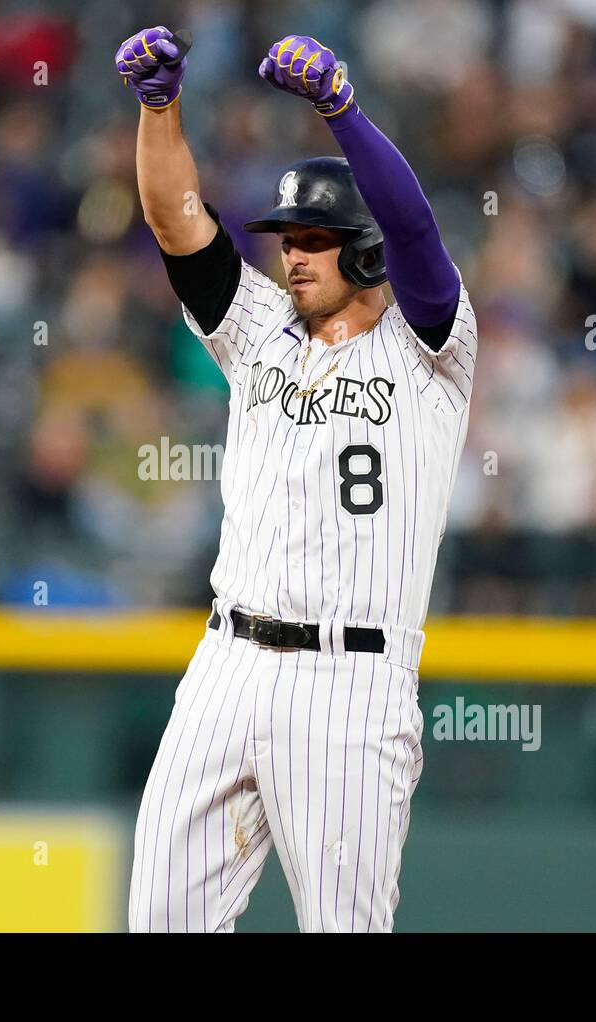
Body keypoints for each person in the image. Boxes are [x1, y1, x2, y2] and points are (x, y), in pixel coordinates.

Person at [117, 29, 476, 932]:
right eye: (286, 237)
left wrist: (341, 110)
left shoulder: (431, 349)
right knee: (160, 917)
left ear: (364, 251)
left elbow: (419, 231)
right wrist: (159, 110)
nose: (293, 254)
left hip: (350, 682)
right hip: (226, 662)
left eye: (316, 238)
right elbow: (174, 218)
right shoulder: (258, 326)